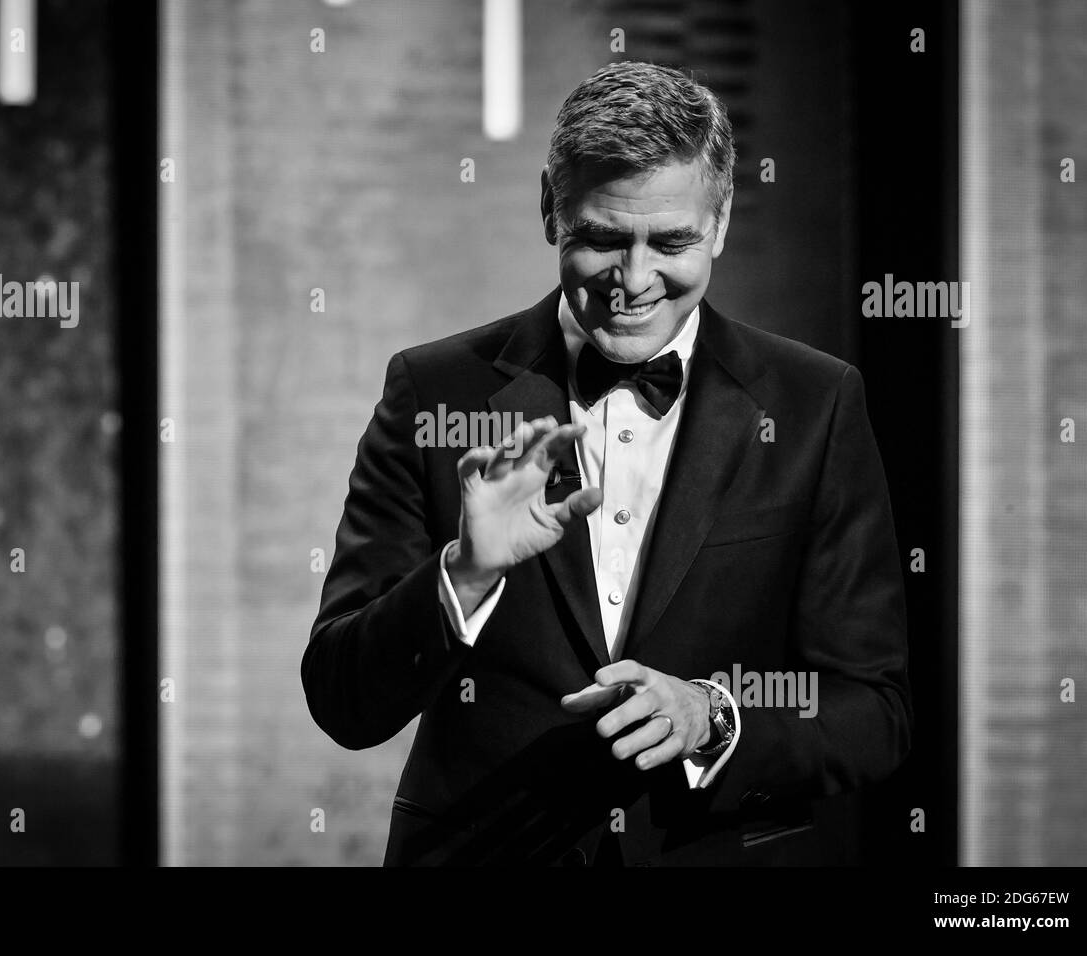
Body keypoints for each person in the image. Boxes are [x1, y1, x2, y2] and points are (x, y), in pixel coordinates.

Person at [302, 60, 912, 866]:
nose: (633, 280)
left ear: (721, 223)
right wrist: (464, 575)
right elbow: (344, 700)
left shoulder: (816, 405)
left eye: (671, 242)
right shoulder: (431, 391)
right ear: (550, 210)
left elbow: (876, 711)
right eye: (601, 238)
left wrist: (711, 716)